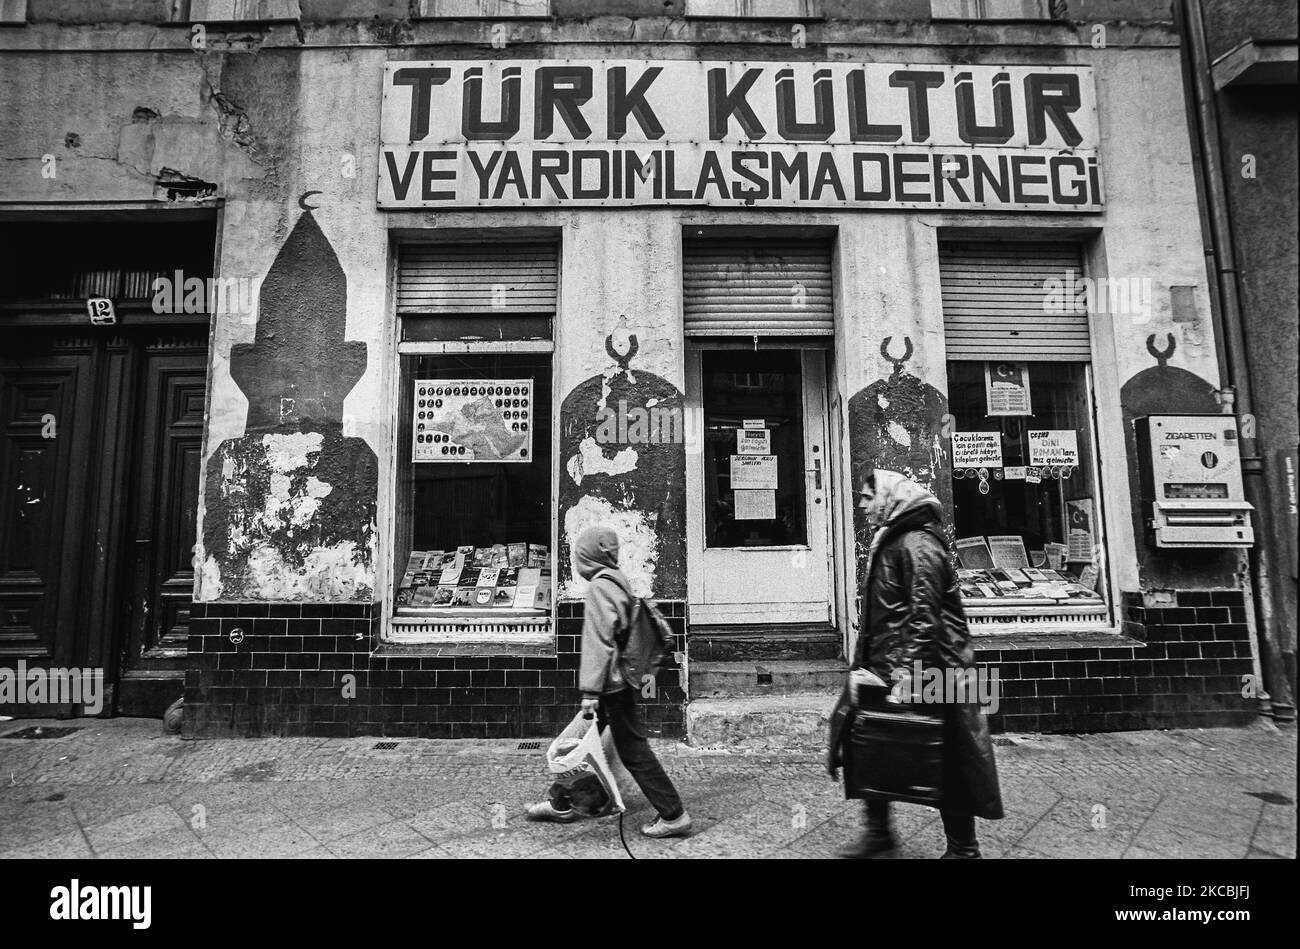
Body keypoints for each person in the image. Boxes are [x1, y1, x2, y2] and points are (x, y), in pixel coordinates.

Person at [830, 468, 1004, 858]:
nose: (861, 505)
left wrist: (906, 672)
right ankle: (880, 835)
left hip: (932, 670)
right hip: (887, 664)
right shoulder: (894, 539)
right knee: (868, 744)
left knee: (946, 756)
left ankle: (963, 849)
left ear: (889, 497)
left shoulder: (918, 545)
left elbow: (925, 618)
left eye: (866, 497)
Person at [527, 524, 692, 839]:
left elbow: (599, 642)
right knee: (578, 742)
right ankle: (560, 801)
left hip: (610, 685)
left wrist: (590, 690)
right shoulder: (618, 581)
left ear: (588, 557)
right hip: (620, 680)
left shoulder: (600, 588)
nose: (576, 563)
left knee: (631, 751)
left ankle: (674, 813)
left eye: (578, 556)